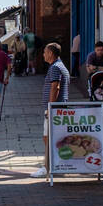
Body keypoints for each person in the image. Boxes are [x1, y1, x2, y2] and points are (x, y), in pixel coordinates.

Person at [32, 43, 71, 178]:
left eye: (45, 52)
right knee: (53, 138)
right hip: (59, 108)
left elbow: (56, 87)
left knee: (48, 137)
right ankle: (57, 163)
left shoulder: (55, 67)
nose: (43, 54)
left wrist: (50, 106)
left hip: (54, 109)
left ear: (51, 53)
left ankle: (47, 167)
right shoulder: (61, 66)